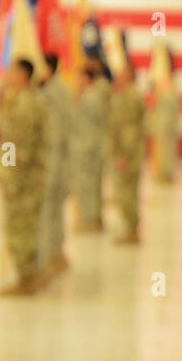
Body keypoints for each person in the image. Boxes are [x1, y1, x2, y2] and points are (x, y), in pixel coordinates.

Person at [0, 58, 50, 295]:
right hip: (25, 177)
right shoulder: (20, 101)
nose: (7, 74)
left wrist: (11, 177)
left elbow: (19, 148)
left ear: (23, 75)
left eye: (12, 71)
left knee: (21, 229)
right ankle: (27, 276)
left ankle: (26, 280)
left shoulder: (25, 105)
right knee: (23, 228)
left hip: (23, 179)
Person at [38, 54, 72, 275]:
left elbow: (54, 132)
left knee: (48, 210)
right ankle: (57, 253)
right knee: (56, 209)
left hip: (51, 160)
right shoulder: (62, 90)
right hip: (61, 160)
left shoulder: (49, 95)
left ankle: (49, 256)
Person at [108, 65, 146, 245]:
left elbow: (130, 129)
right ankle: (130, 227)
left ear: (129, 77)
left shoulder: (131, 97)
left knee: (127, 192)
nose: (117, 79)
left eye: (121, 75)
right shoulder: (123, 95)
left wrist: (124, 155)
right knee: (124, 192)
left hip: (128, 153)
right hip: (124, 151)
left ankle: (132, 229)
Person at [73, 63, 107, 233]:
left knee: (88, 186)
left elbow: (93, 127)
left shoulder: (90, 98)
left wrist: (88, 150)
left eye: (79, 77)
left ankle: (90, 220)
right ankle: (93, 218)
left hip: (89, 148)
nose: (76, 81)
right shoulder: (89, 96)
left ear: (87, 78)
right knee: (91, 185)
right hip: (90, 147)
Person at [149, 51, 182, 184]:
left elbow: (172, 112)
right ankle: (162, 174)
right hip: (161, 126)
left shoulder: (171, 93)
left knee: (168, 153)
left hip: (168, 128)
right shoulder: (164, 93)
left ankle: (167, 175)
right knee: (162, 152)